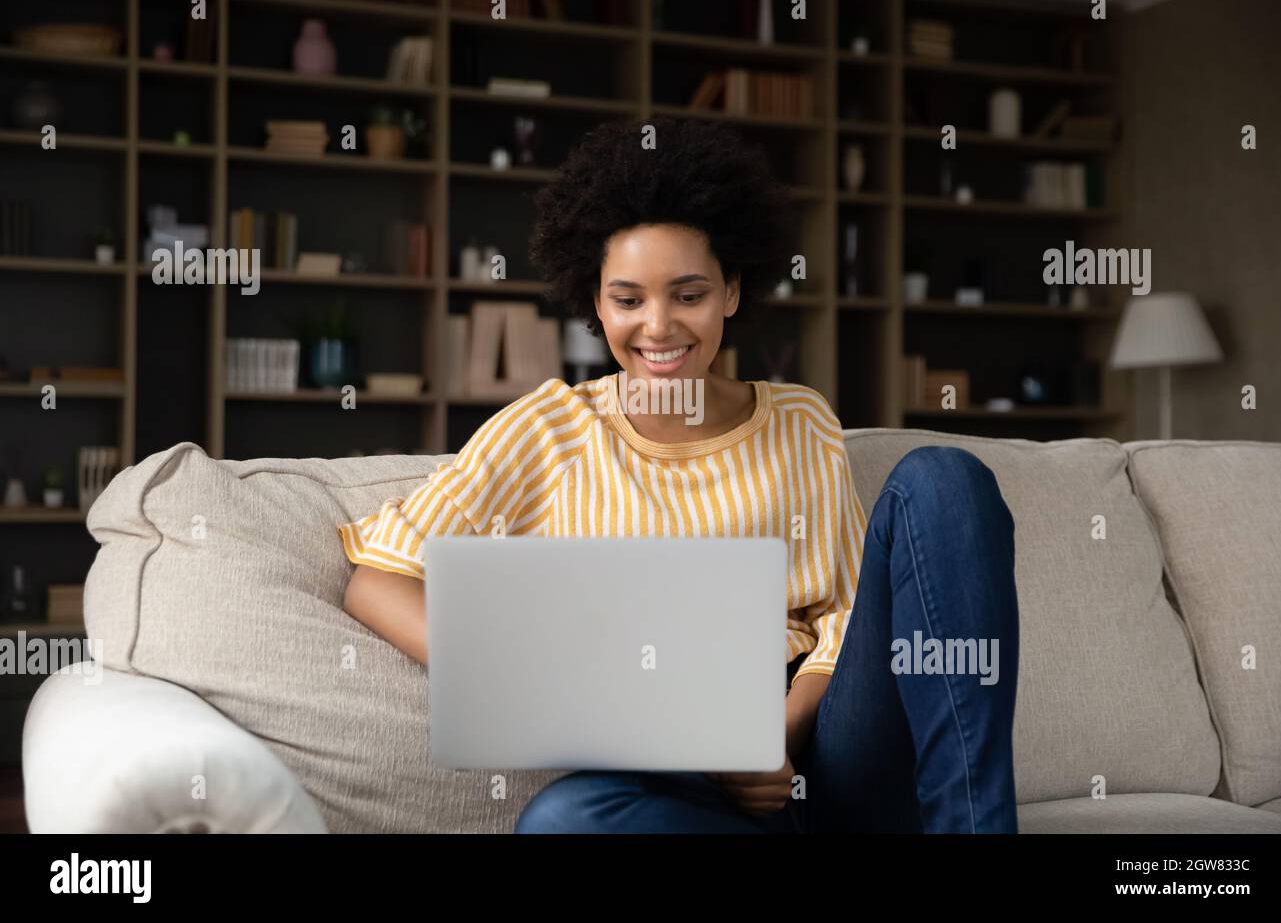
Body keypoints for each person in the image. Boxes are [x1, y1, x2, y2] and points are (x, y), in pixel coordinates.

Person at [339, 117, 1020, 833]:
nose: (657, 327)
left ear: (731, 290)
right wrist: (530, 671)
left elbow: (848, 614)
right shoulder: (546, 430)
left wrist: (771, 735)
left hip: (828, 745)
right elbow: (378, 577)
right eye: (628, 299)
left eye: (688, 294)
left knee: (944, 479)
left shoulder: (799, 419)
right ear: (596, 305)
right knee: (565, 823)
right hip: (673, 772)